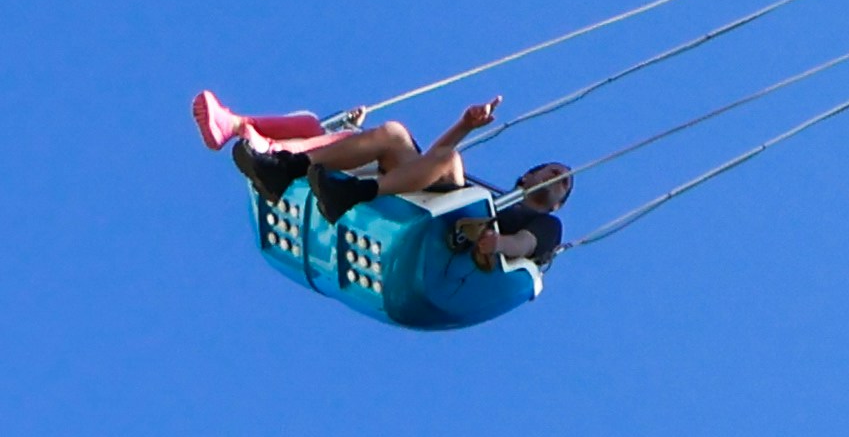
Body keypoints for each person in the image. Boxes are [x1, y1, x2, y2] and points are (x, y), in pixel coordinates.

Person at [196, 92, 578, 276]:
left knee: (447, 160)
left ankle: (354, 192)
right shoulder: (496, 193)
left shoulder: (546, 224)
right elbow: (432, 159)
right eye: (553, 171)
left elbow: (526, 245)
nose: (557, 179)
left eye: (564, 184)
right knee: (395, 133)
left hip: (457, 233)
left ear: (558, 203)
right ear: (527, 176)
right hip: (425, 198)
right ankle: (287, 166)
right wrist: (466, 125)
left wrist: (499, 245)